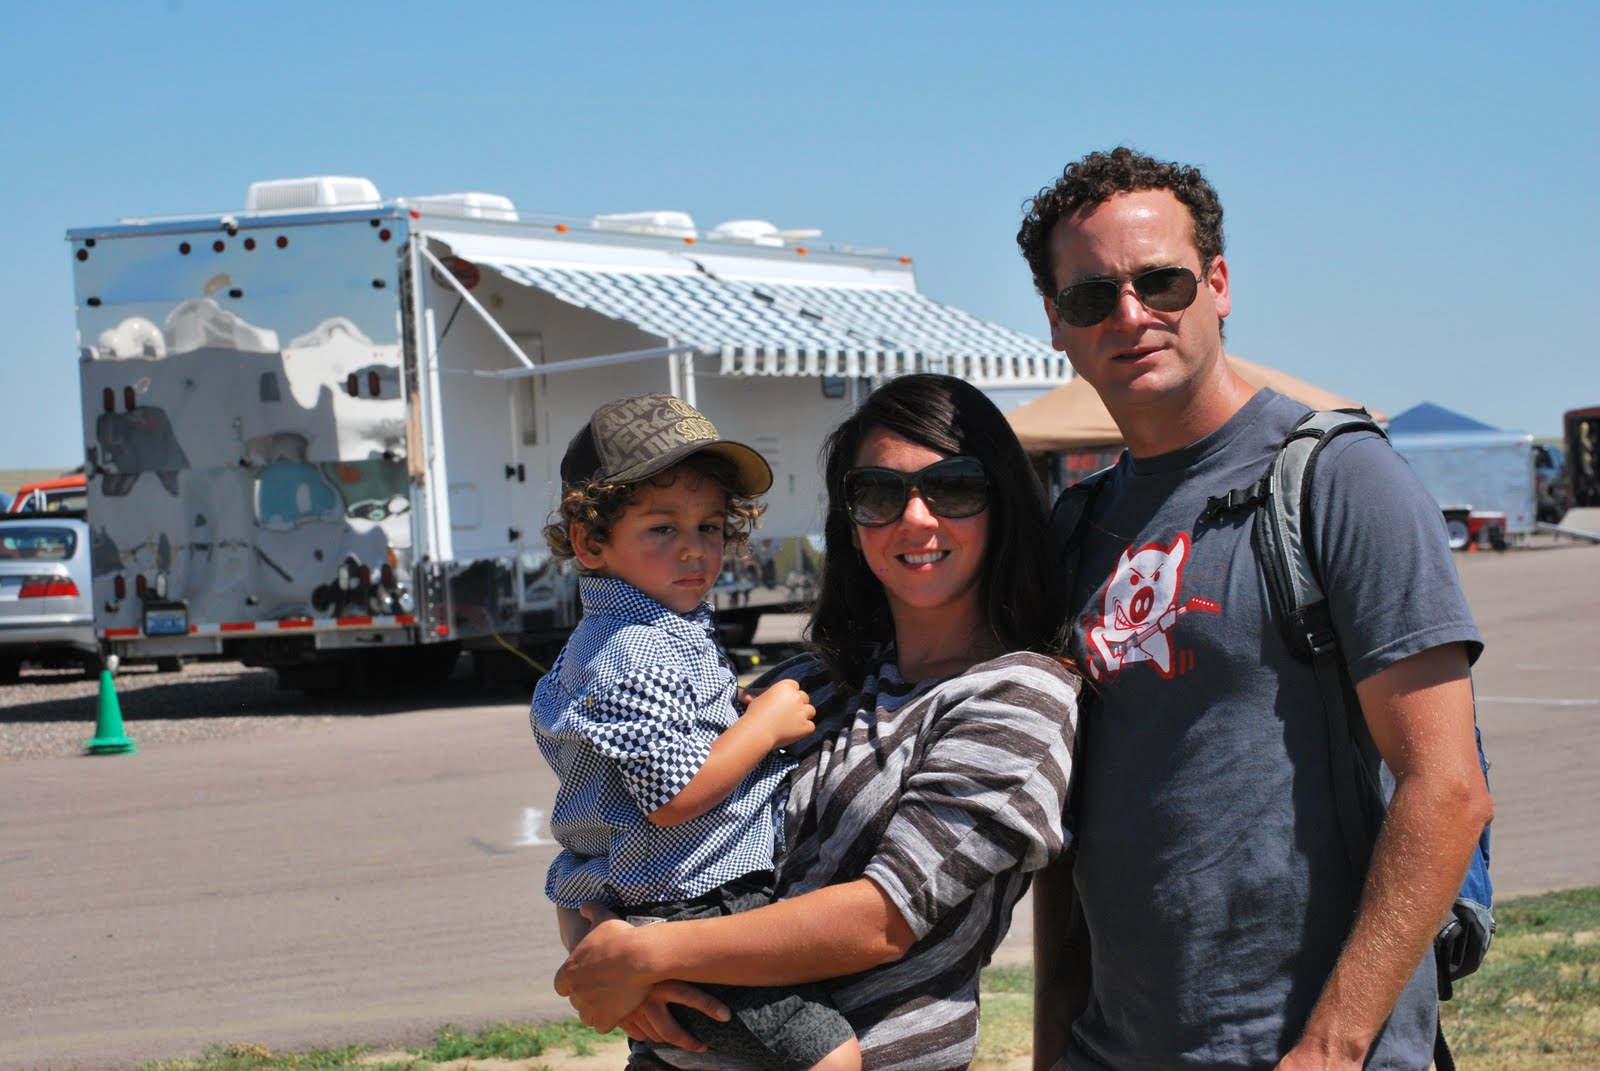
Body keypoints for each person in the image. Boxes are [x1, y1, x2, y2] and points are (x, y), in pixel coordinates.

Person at [1015, 147, 1494, 1070]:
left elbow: (1448, 786)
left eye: (1162, 281)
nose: (1131, 315)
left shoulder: (1338, 479)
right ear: (1055, 323)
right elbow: (1068, 839)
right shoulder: (1074, 528)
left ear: (1219, 284)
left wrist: (1334, 1044)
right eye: (1090, 297)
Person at [552, 373, 1082, 1071]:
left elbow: (883, 918)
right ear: (851, 524)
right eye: (878, 494)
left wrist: (647, 955)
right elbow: (628, 816)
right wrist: (617, 965)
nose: (915, 518)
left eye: (953, 486)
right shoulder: (807, 685)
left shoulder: (1019, 695)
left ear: (1003, 502)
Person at [532, 391, 859, 1071]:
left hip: (654, 905)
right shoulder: (634, 648)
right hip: (698, 906)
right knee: (832, 1057)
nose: (694, 549)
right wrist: (764, 725)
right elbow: (672, 793)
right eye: (662, 528)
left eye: (710, 526)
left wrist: (730, 711)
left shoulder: (636, 634)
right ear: (591, 541)